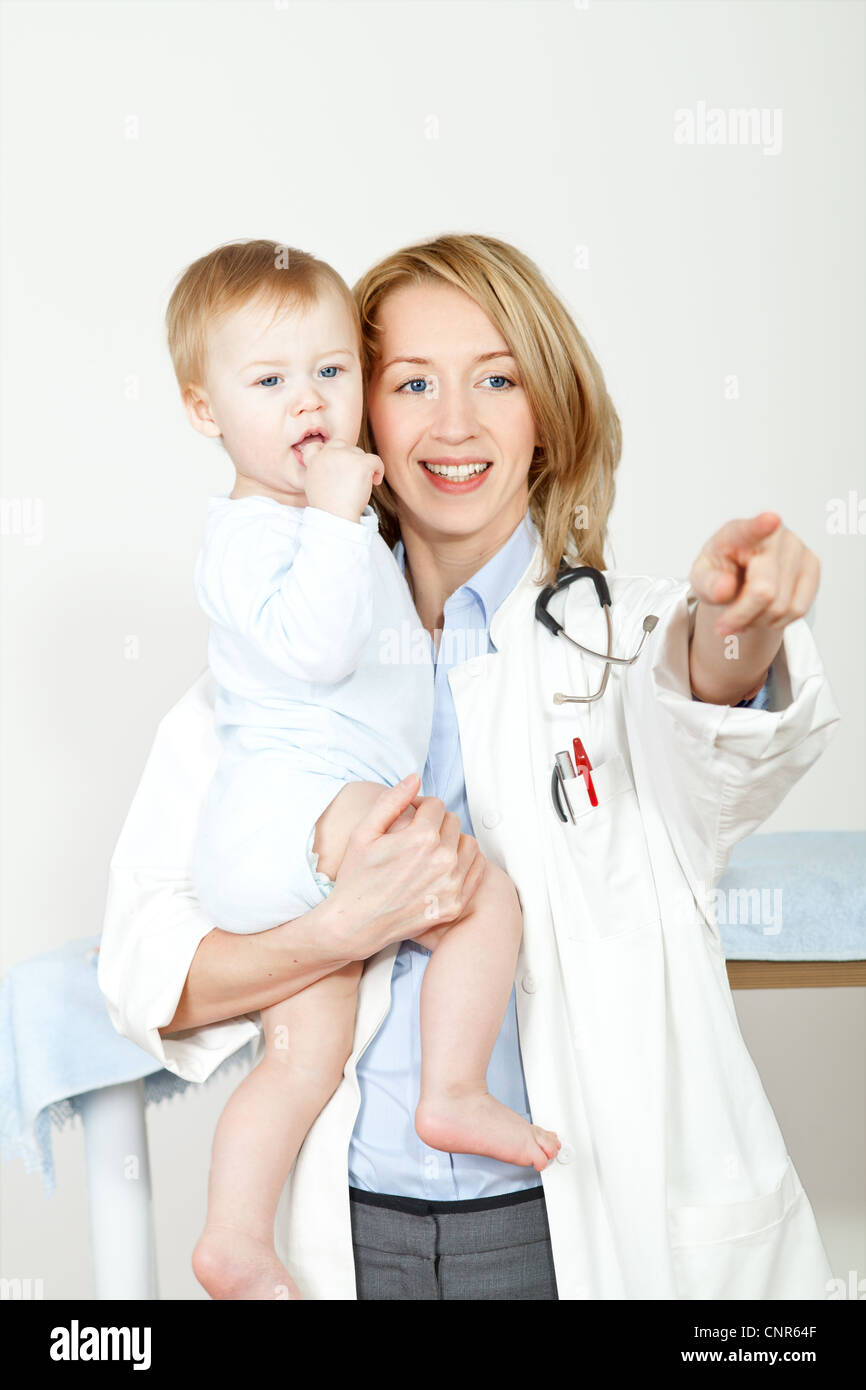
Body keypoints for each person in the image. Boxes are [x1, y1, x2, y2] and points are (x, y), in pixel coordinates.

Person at [99, 232, 840, 1300]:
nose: (454, 422)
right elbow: (144, 966)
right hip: (348, 1234)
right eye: (411, 382)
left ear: (545, 414)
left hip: (567, 1227)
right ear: (359, 414)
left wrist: (740, 626)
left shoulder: (623, 642)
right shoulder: (267, 678)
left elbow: (708, 708)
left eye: (496, 377)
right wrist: (334, 933)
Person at [167, 240, 560, 1299]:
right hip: (293, 814)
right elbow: (316, 643)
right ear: (205, 412)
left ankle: (235, 1234)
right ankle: (453, 1087)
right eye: (269, 381)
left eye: (330, 373)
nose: (308, 403)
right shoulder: (267, 536)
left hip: (528, 1229)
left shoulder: (581, 633)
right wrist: (340, 514)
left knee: (302, 1054)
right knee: (475, 891)